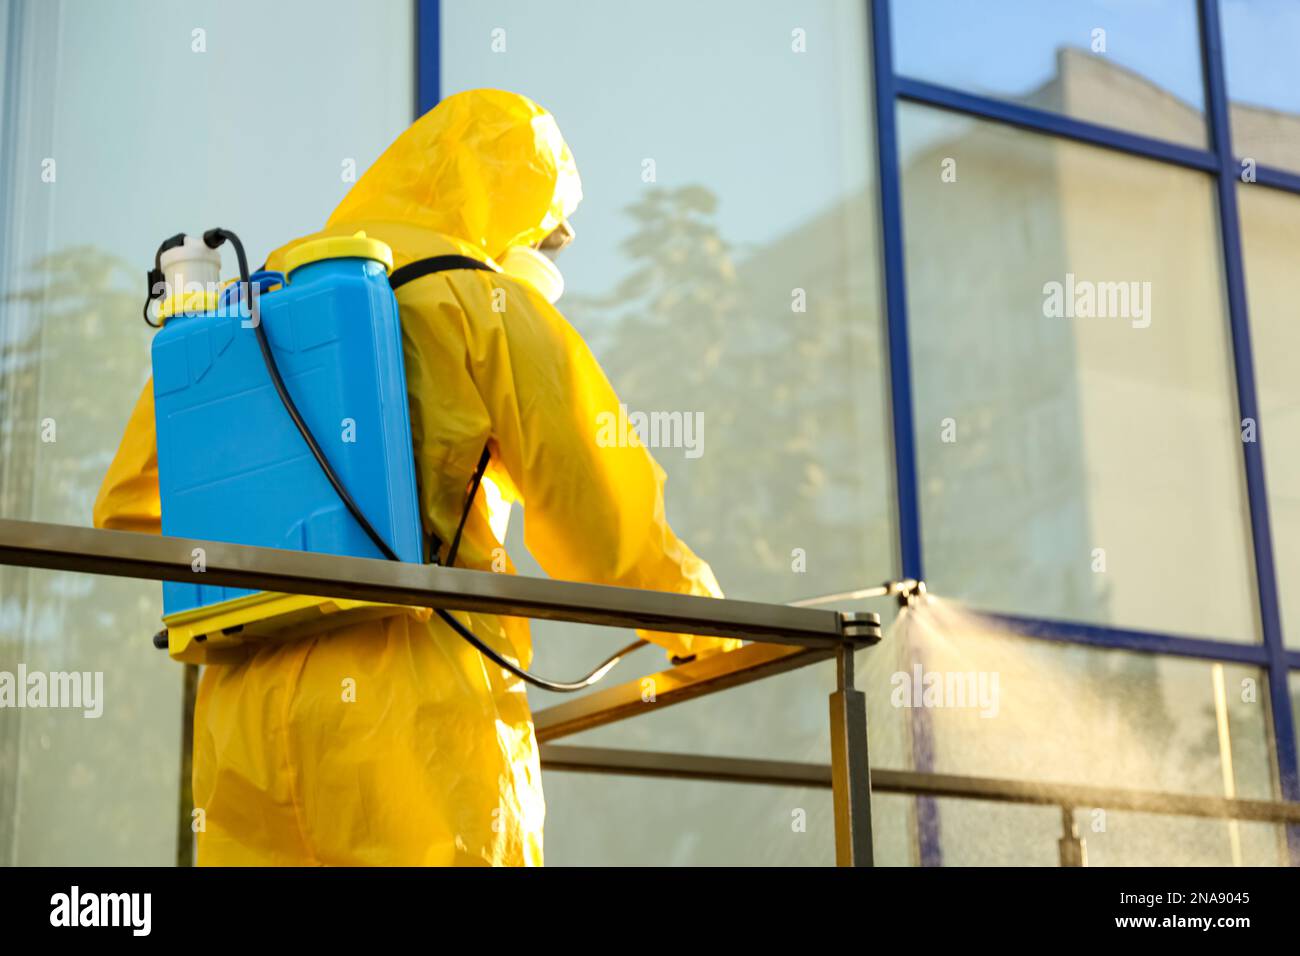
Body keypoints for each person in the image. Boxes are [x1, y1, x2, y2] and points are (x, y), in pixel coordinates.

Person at [93, 88, 739, 866]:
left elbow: (128, 503)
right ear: (513, 213)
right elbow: (599, 509)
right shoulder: (481, 298)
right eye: (549, 236)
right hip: (413, 701)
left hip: (243, 712)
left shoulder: (244, 307)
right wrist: (703, 626)